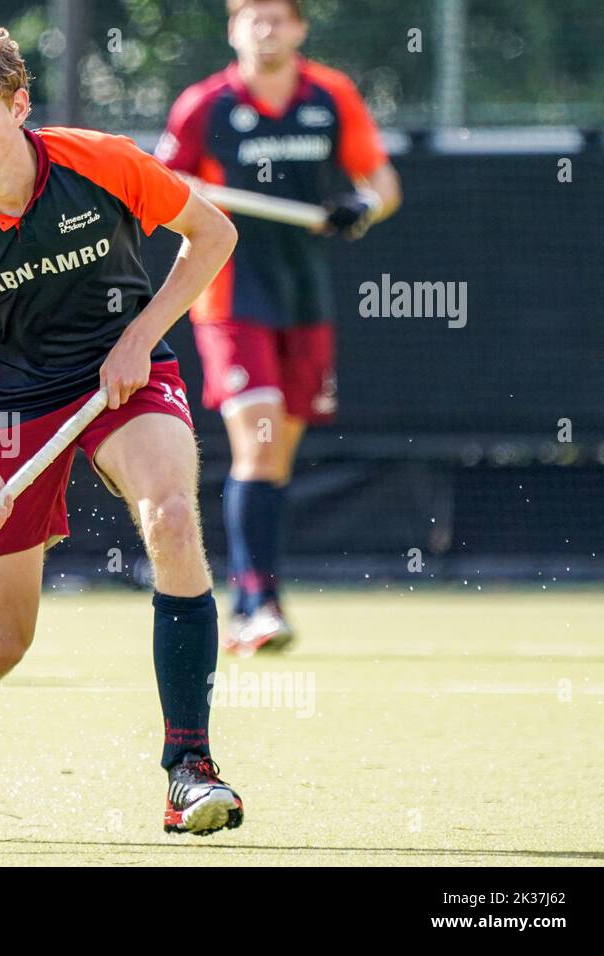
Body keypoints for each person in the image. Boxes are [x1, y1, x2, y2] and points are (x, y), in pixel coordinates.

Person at [0, 20, 240, 842]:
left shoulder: (102, 163)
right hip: (8, 410)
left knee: (169, 515)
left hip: (122, 374)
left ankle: (187, 768)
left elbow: (214, 236)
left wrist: (140, 335)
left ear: (19, 105)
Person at [154, 0, 401, 655]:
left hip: (304, 297)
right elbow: (160, 187)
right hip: (233, 299)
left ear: (299, 28)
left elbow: (384, 184)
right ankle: (256, 605)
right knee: (257, 444)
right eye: (251, 18)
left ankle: (253, 599)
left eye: (277, 17)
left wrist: (363, 208)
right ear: (234, 30)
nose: (265, 29)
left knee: (276, 459)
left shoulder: (331, 96)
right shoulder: (202, 107)